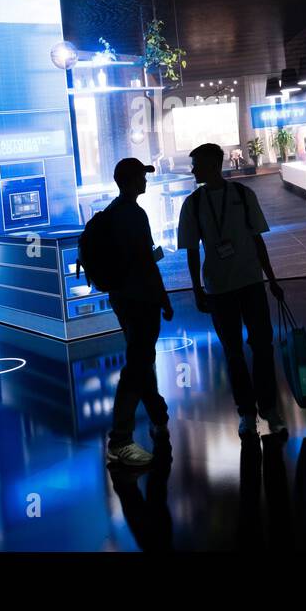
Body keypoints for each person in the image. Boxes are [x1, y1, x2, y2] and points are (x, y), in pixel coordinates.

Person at [177, 142, 287, 439]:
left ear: (213, 165)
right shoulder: (193, 203)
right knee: (234, 352)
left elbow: (257, 240)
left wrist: (271, 279)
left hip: (251, 281)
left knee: (262, 347)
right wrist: (197, 288)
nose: (193, 170)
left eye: (197, 164)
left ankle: (269, 409)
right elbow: (190, 249)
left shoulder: (241, 195)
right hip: (218, 288)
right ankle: (247, 413)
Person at [102, 158, 174, 468]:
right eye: (142, 176)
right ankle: (120, 440)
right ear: (131, 180)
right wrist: (164, 299)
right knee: (137, 366)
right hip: (140, 300)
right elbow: (146, 262)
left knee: (142, 360)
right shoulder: (133, 214)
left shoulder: (112, 213)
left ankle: (157, 416)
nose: (146, 180)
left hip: (122, 299)